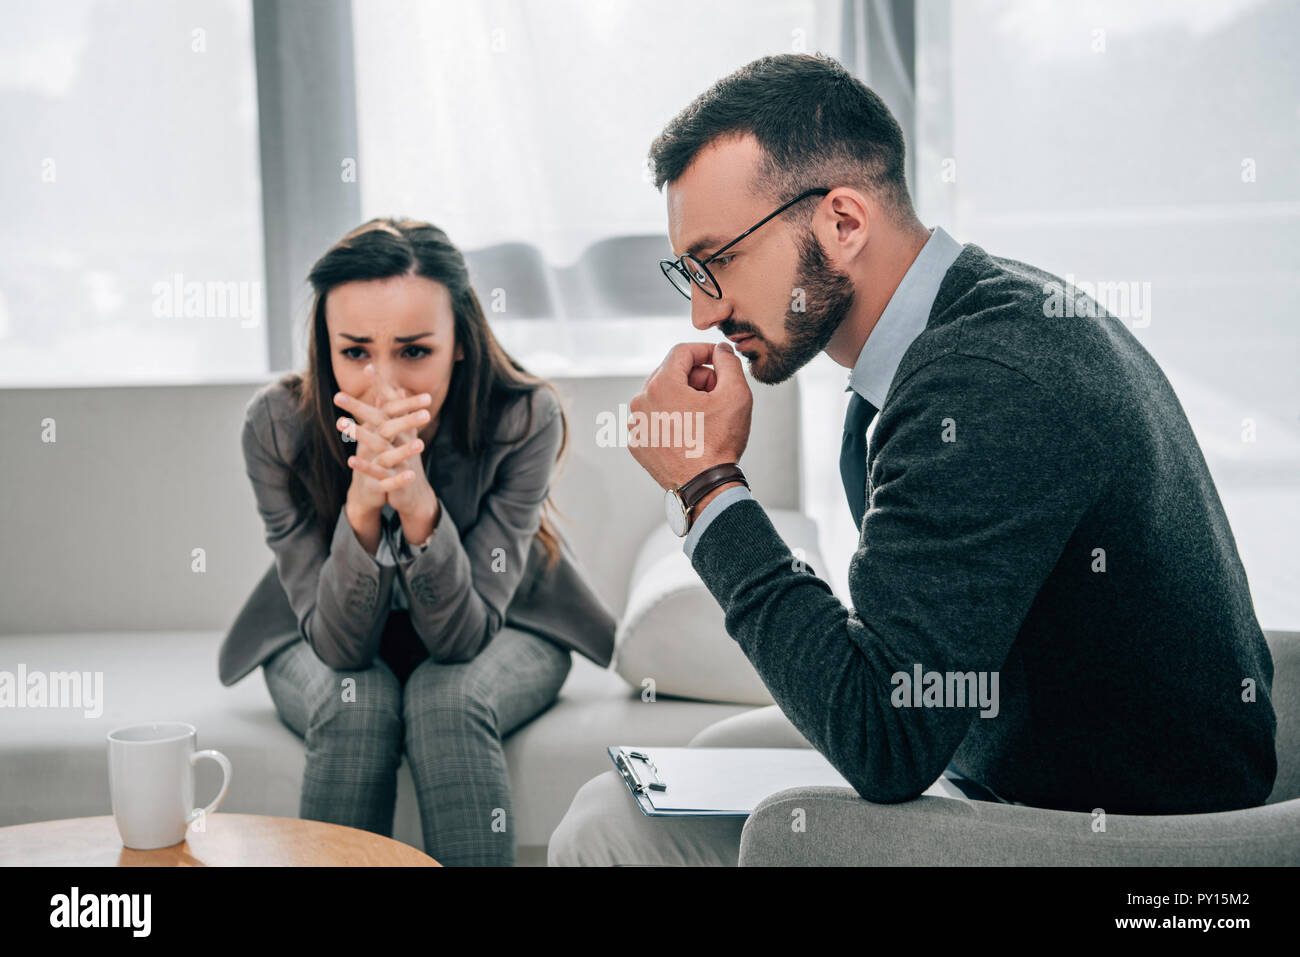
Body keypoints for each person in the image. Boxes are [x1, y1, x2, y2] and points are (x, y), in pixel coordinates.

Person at [548, 53, 1276, 866]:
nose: (704, 308)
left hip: (1128, 837)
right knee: (662, 775)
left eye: (719, 261)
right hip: (993, 761)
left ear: (844, 222)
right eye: (689, 270)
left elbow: (885, 738)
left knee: (613, 824)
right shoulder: (953, 327)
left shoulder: (983, 381)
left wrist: (708, 485)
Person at [217, 217, 617, 866]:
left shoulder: (523, 416)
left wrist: (419, 504)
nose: (385, 386)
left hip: (509, 616)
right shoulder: (276, 425)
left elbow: (461, 640)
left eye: (413, 350)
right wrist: (363, 510)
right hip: (316, 623)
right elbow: (342, 650)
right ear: (325, 347)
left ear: (460, 339)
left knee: (445, 695)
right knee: (357, 700)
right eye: (354, 352)